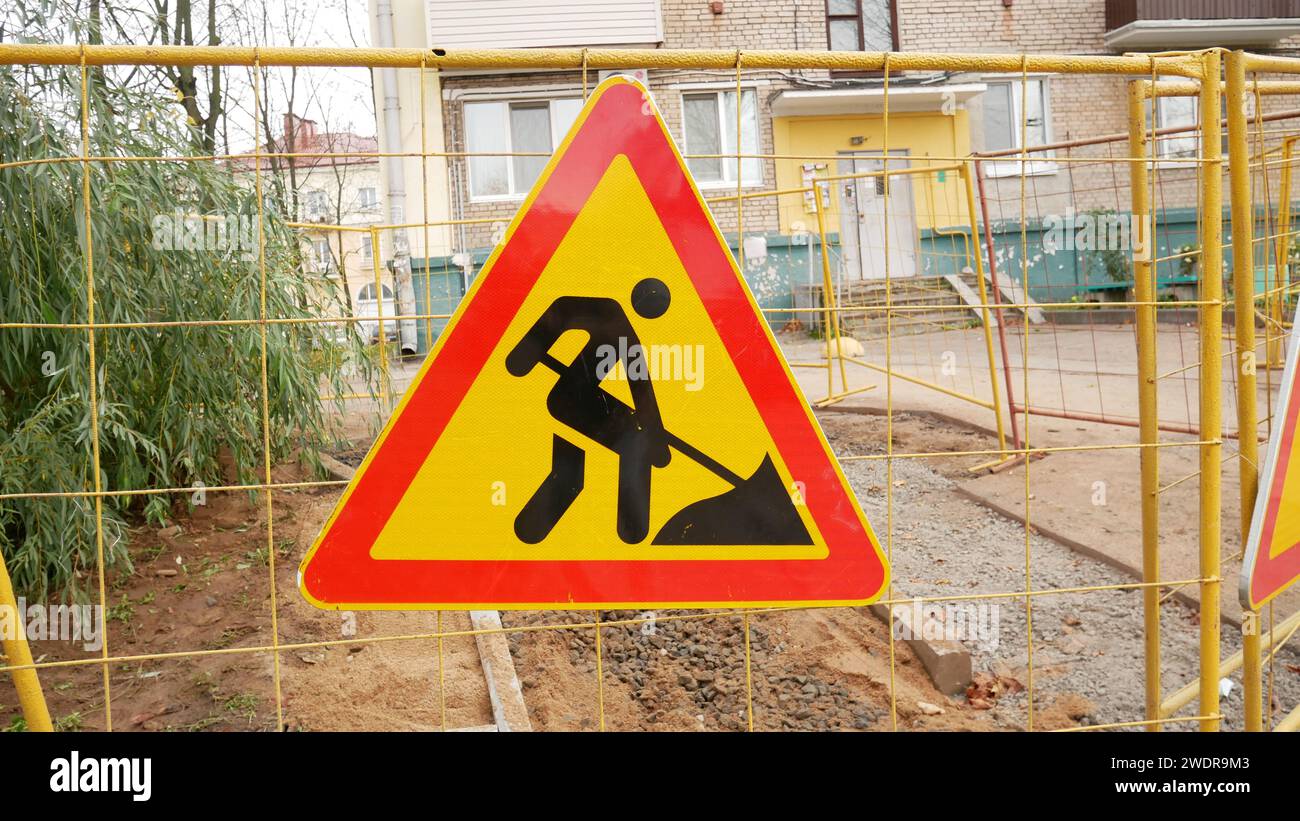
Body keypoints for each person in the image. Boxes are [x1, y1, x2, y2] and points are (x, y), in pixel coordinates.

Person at [506, 278, 672, 544]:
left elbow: (639, 381)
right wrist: (524, 356)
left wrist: (521, 359)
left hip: (572, 399)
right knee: (633, 444)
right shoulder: (612, 317)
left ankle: (630, 531)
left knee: (631, 443)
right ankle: (632, 531)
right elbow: (560, 312)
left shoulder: (618, 324)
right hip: (566, 399)